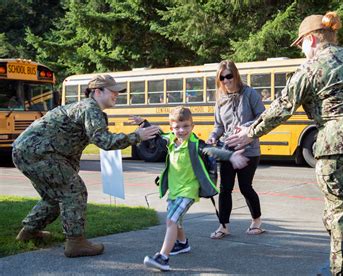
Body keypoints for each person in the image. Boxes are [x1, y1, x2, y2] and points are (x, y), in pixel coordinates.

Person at [226, 12, 343, 275]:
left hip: (339, 148)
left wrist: (251, 132)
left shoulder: (312, 66)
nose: (303, 50)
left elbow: (283, 107)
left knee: (342, 213)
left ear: (311, 39)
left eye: (302, 44)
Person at [12, 74, 160, 258]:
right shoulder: (90, 108)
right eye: (112, 91)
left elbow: (74, 141)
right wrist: (137, 136)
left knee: (54, 197)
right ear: (97, 91)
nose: (117, 95)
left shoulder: (87, 108)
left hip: (28, 151)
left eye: (117, 92)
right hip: (38, 152)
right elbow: (104, 141)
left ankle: (28, 233)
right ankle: (76, 243)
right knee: (74, 191)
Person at [142, 106, 248, 271]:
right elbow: (157, 135)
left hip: (188, 191)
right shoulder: (170, 140)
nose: (181, 130)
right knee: (177, 222)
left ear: (192, 126)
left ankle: (163, 258)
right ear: (172, 128)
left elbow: (211, 150)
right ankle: (183, 244)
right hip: (174, 190)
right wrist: (144, 123)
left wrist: (231, 156)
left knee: (171, 220)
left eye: (185, 126)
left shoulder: (195, 144)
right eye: (177, 127)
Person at [206, 60, 266, 239]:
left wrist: (246, 128)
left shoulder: (249, 94)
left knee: (246, 187)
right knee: (225, 188)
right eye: (222, 78)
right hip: (227, 150)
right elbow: (218, 125)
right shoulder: (220, 99)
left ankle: (256, 221)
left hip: (249, 149)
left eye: (229, 76)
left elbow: (263, 116)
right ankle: (223, 226)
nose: (226, 81)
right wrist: (213, 136)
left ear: (236, 75)